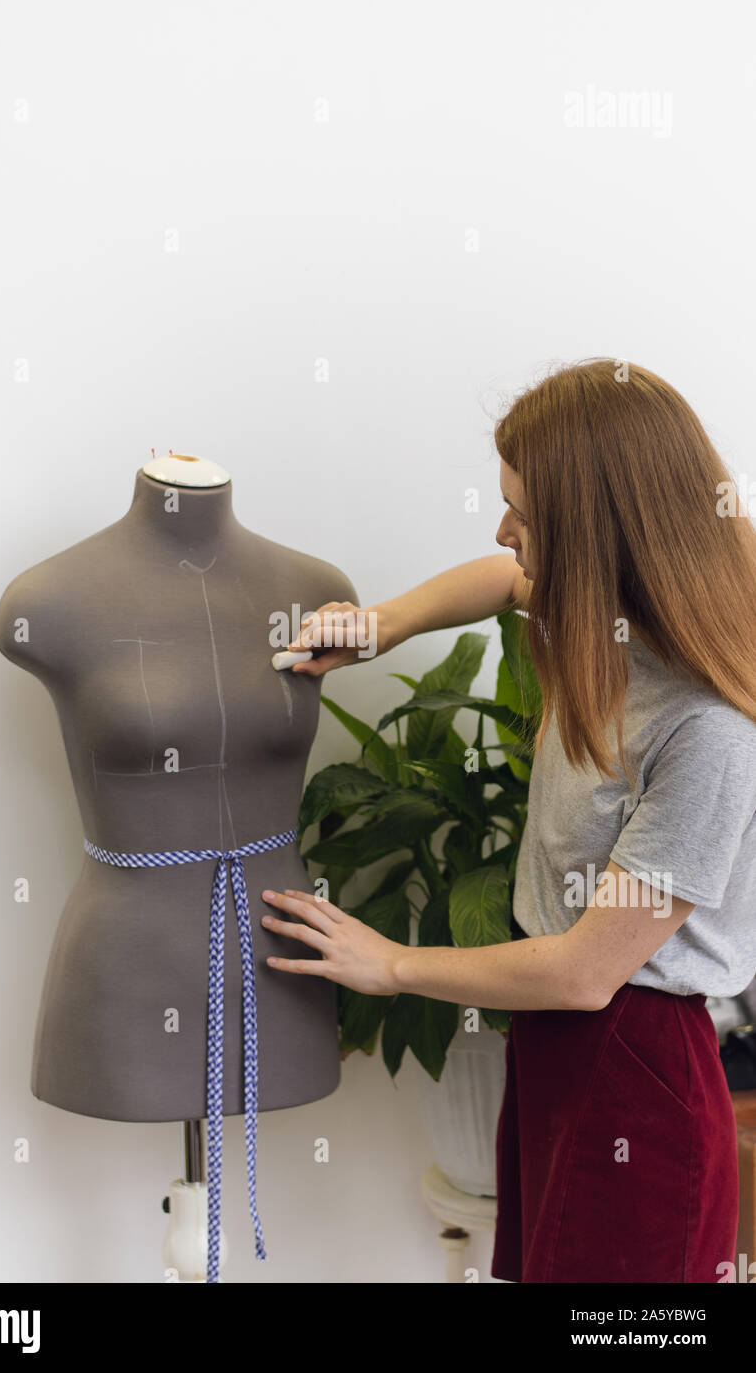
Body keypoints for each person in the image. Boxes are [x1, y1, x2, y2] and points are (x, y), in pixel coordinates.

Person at [258, 357, 756, 1284]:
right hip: (561, 1051)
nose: (503, 530)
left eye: (525, 514)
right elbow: (499, 579)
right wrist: (384, 624)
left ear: (601, 531)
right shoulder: (608, 612)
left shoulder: (707, 730)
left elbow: (581, 973)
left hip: (634, 1066)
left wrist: (391, 964)